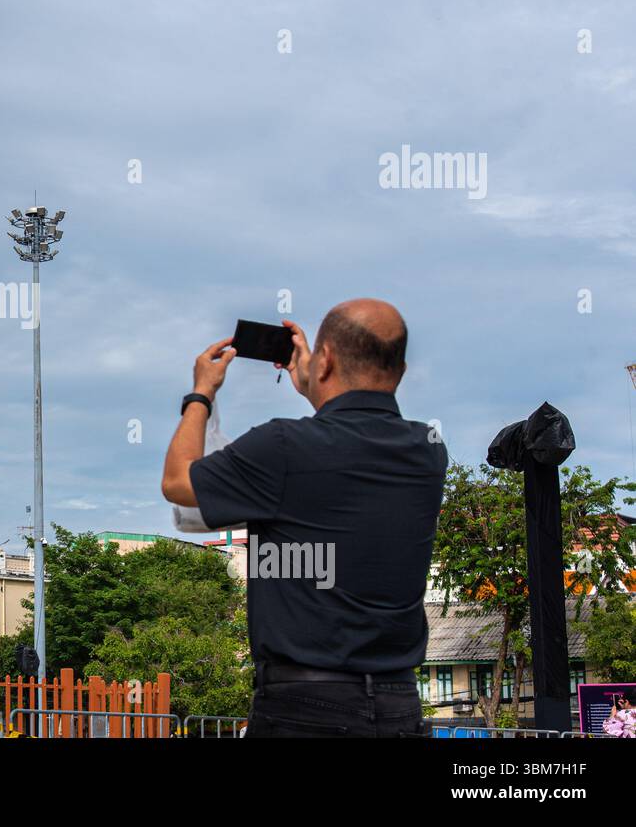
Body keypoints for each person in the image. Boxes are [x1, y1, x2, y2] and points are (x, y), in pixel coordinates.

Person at [161, 299, 447, 736]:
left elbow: (179, 484)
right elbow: (344, 446)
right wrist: (320, 388)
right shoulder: (428, 450)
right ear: (401, 370)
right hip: (399, 708)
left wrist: (201, 394)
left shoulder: (283, 447)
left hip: (304, 710)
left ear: (326, 359)